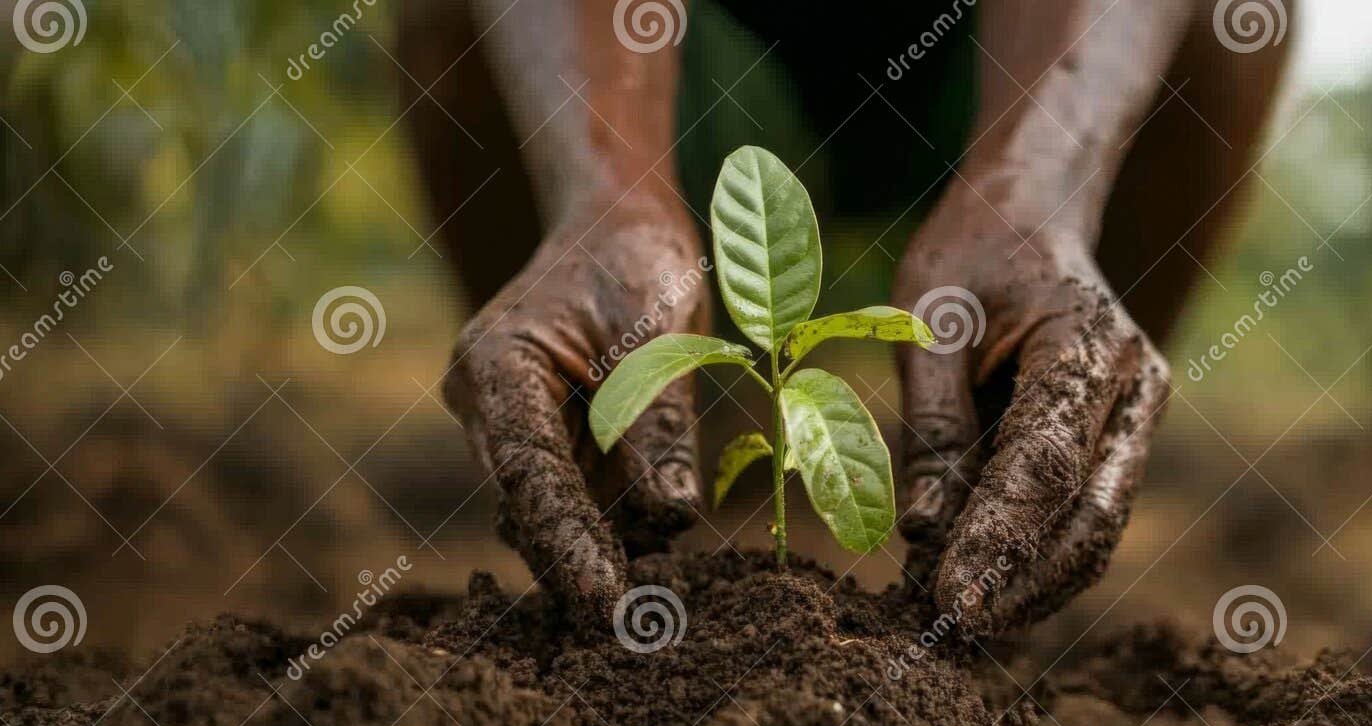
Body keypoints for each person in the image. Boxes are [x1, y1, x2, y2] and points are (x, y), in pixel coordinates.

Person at [397, 0, 1293, 634]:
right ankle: (624, 487)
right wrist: (607, 195)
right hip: (684, 68)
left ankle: (1024, 471)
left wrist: (1034, 190)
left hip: (989, 71)